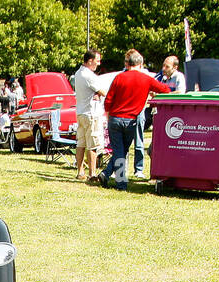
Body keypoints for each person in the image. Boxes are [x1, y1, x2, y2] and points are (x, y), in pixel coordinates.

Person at [98, 50, 170, 190]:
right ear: (141, 64)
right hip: (131, 120)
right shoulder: (147, 79)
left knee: (119, 150)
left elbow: (108, 99)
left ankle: (106, 174)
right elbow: (165, 90)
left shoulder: (119, 77)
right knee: (122, 151)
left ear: (128, 63)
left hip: (115, 118)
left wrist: (108, 114)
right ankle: (120, 183)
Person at [73, 50, 106, 182]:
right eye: (97, 60)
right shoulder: (89, 75)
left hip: (81, 112)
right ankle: (92, 174)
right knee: (92, 145)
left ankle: (80, 171)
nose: (99, 63)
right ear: (90, 61)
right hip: (91, 114)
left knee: (80, 143)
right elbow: (103, 91)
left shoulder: (78, 73)